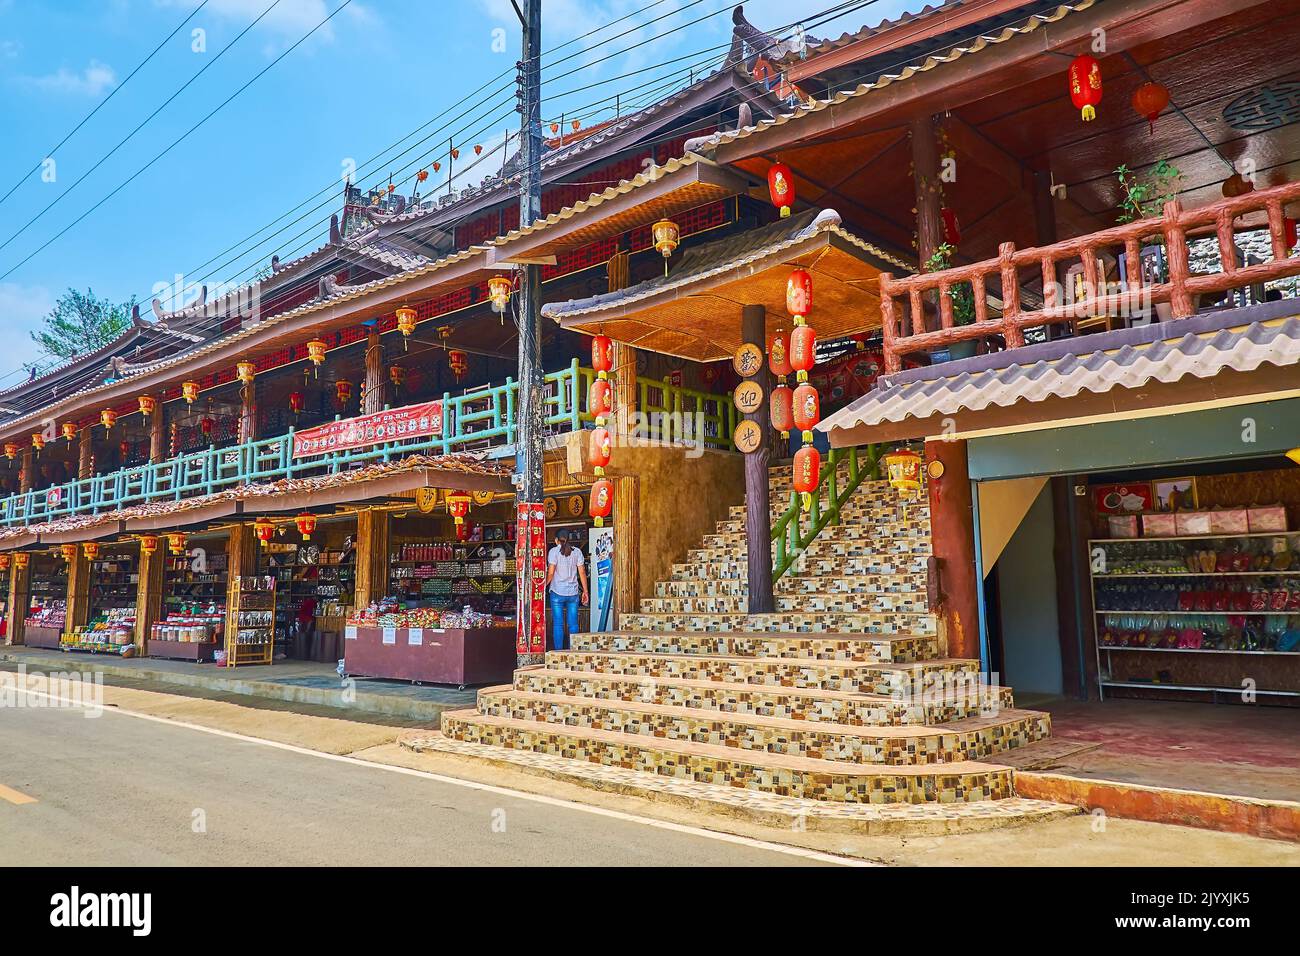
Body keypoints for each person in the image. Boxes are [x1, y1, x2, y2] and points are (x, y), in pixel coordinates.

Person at [546, 531, 588, 651]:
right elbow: (582, 572)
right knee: (573, 624)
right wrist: (585, 591)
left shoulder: (553, 552)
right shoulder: (577, 552)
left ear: (556, 540)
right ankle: (573, 651)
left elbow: (551, 573)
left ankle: (559, 653)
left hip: (557, 593)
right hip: (573, 593)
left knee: (558, 624)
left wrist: (542, 586)